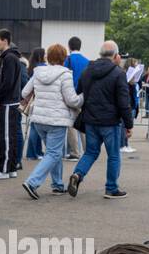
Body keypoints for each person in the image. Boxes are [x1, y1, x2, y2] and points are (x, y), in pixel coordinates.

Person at [67, 40, 133, 199]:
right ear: (116, 56)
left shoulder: (87, 71)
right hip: (110, 122)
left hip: (90, 120)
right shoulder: (119, 73)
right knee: (114, 155)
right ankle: (111, 188)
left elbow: (79, 91)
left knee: (90, 152)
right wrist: (129, 124)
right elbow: (124, 102)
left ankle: (77, 174)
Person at [21, 42, 83, 198]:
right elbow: (71, 100)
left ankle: (57, 185)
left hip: (39, 119)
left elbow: (24, 92)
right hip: (57, 121)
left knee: (52, 153)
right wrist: (83, 96)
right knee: (54, 153)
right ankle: (32, 182)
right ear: (64, 58)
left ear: (48, 57)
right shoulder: (65, 74)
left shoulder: (37, 72)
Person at [0, 29, 25, 180]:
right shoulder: (12, 57)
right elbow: (7, 80)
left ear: (5, 41)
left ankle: (4, 169)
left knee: (6, 137)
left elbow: (7, 83)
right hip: (11, 101)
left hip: (8, 102)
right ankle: (11, 167)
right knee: (11, 136)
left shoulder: (8, 58)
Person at [64, 37, 90, 159]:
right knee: (83, 123)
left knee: (71, 124)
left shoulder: (68, 60)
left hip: (71, 94)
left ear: (69, 46)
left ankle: (75, 152)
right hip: (84, 95)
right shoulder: (87, 61)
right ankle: (88, 150)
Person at [22, 46, 46, 161]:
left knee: (34, 126)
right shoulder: (43, 69)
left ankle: (35, 152)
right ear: (42, 56)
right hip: (40, 100)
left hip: (32, 101)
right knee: (35, 129)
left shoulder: (31, 68)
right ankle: (33, 152)